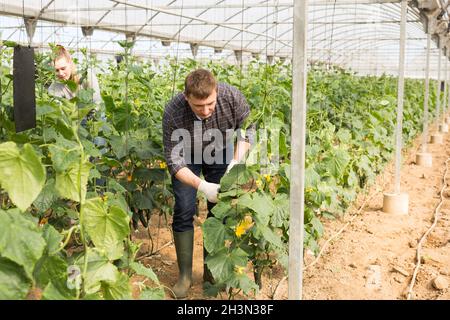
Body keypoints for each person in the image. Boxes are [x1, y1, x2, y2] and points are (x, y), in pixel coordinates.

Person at [163, 68, 253, 299]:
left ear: (216, 90)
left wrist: (235, 162)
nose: (205, 111)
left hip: (220, 151)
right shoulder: (173, 111)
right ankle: (185, 275)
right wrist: (202, 186)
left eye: (210, 104)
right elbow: (174, 161)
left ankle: (211, 271)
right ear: (186, 98)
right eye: (198, 106)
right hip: (186, 156)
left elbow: (248, 130)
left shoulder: (231, 97)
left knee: (220, 212)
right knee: (184, 208)